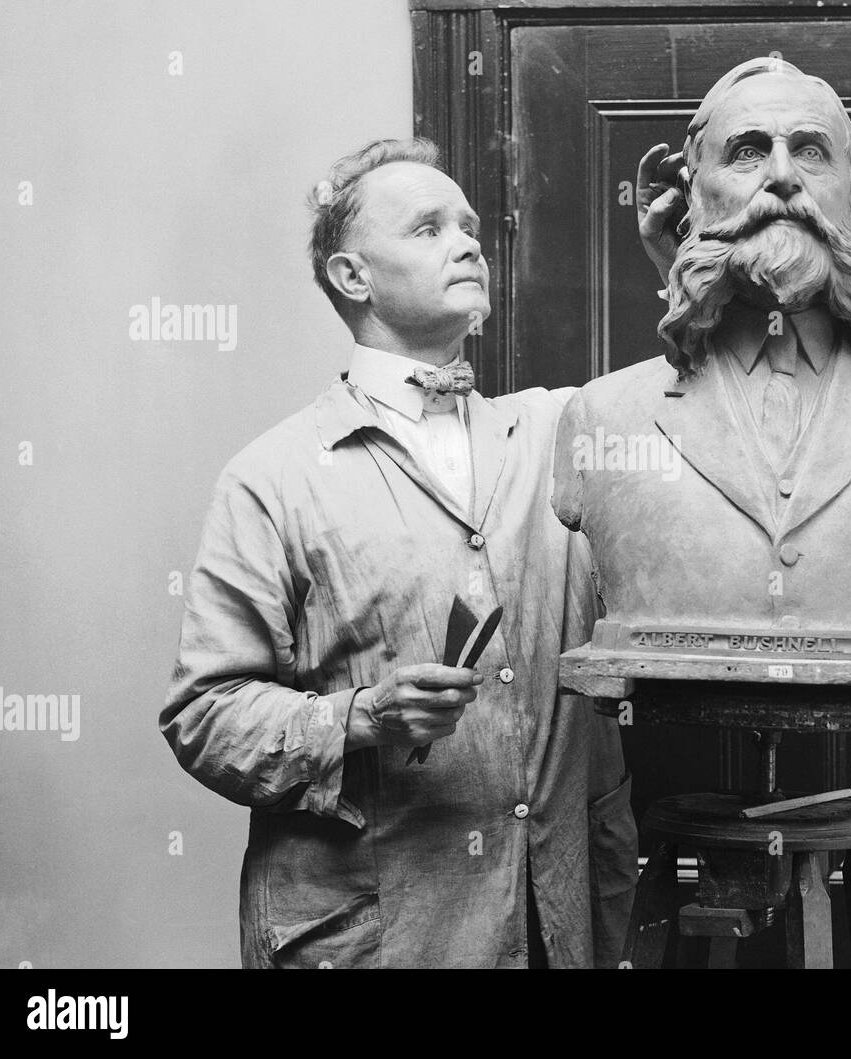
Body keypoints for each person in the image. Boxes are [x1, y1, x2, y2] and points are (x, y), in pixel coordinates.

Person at [161, 138, 637, 969]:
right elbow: (203, 715)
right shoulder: (272, 477)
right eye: (427, 228)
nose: (467, 243)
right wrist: (361, 718)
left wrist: (683, 261)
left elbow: (701, 415)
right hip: (378, 938)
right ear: (353, 276)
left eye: (470, 227)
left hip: (559, 920)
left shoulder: (563, 432)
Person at [553, 57, 851, 649]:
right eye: (746, 152)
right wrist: (681, 282)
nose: (782, 176)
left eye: (812, 151)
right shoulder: (603, 419)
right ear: (690, 196)